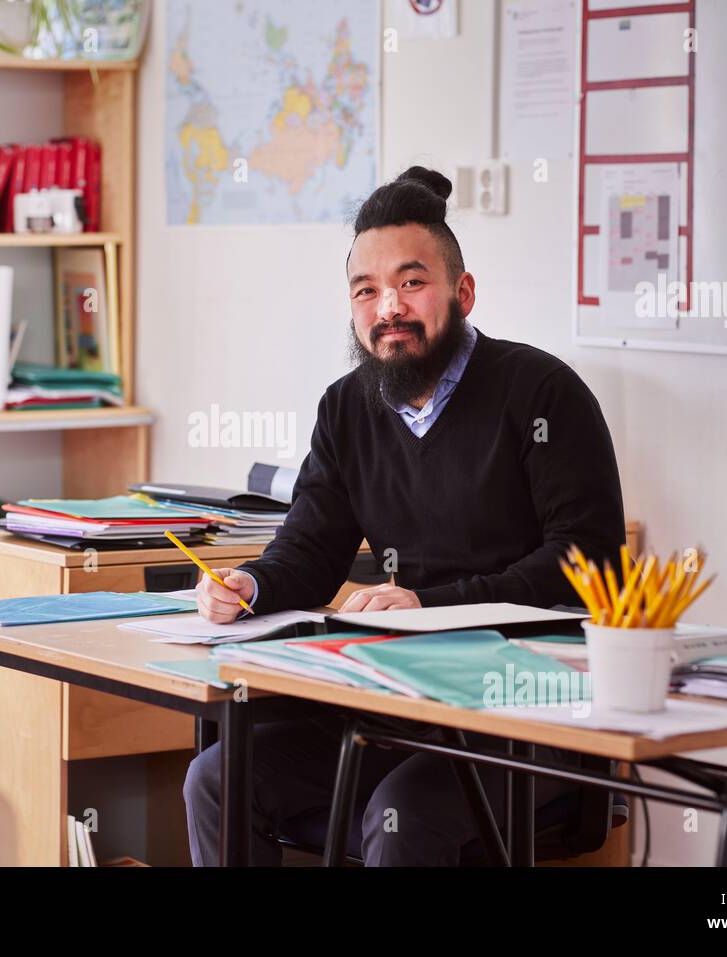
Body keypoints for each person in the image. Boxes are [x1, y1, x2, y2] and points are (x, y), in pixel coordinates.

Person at [184, 167, 626, 866]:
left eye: (412, 282)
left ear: (463, 291)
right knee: (218, 776)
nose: (389, 306)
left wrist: (426, 605)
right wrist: (251, 584)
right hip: (395, 697)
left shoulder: (543, 392)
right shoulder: (346, 407)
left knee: (400, 813)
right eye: (367, 290)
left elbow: (588, 564)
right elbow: (309, 548)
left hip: (528, 710)